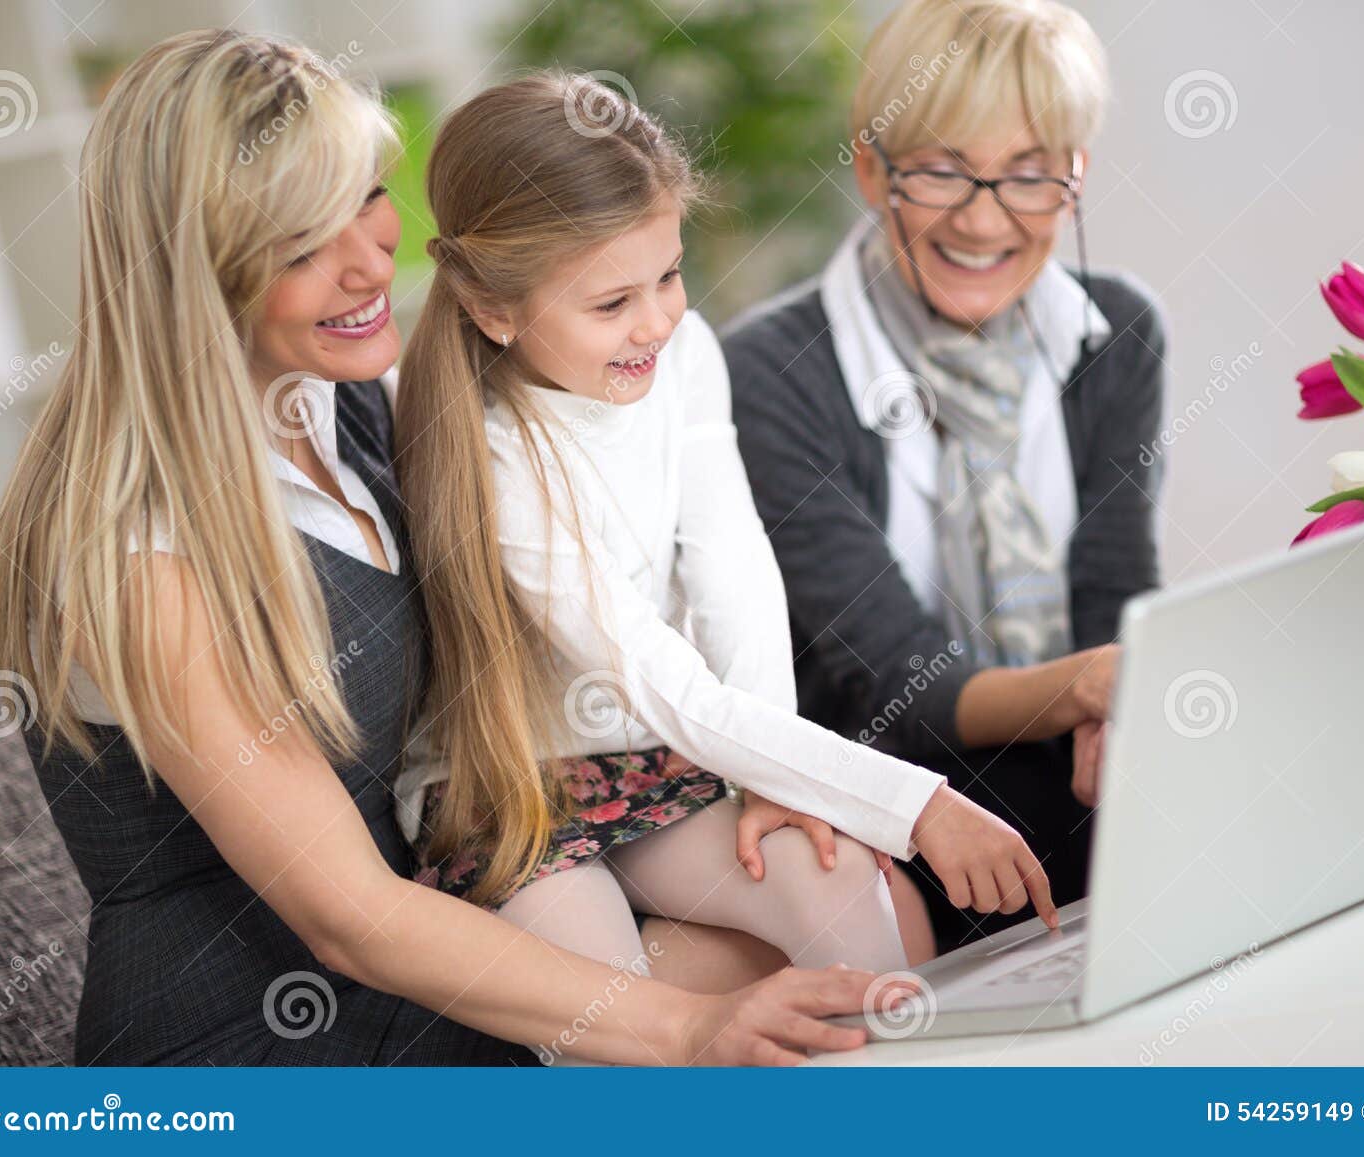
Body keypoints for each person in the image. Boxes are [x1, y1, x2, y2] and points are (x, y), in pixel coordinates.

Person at [0, 30, 909, 1067]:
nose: (375, 260)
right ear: (197, 276)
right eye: (302, 244)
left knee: (851, 923)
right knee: (786, 998)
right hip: (273, 1035)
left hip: (437, 932)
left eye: (366, 195)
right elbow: (349, 915)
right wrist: (685, 1023)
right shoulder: (138, 546)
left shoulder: (348, 404)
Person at [390, 72, 1060, 1019]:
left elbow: (734, 570)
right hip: (509, 791)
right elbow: (664, 677)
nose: (657, 319)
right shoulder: (497, 450)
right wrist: (917, 805)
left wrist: (776, 777)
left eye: (668, 274)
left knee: (837, 888)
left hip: (662, 756)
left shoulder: (686, 354)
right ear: (496, 310)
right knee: (614, 1005)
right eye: (612, 301)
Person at [721, 0, 1168, 958]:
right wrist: (1091, 685)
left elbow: (1116, 600)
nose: (982, 218)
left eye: (1029, 176)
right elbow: (895, 683)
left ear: (1075, 175)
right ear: (873, 166)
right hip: (891, 801)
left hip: (1080, 778)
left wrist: (1114, 707)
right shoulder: (772, 372)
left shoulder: (1116, 335)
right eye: (940, 172)